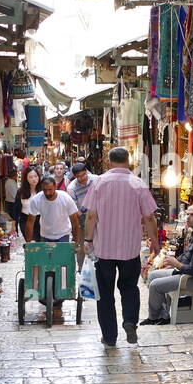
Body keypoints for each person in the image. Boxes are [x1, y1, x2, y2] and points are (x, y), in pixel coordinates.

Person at [83, 146, 158, 348]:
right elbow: (149, 217)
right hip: (130, 250)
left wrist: (88, 240)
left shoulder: (98, 183)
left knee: (105, 294)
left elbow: (91, 216)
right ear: (128, 161)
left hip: (103, 250)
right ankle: (130, 321)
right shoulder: (138, 184)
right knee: (129, 288)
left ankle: (109, 337)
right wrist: (155, 243)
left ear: (109, 162)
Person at [142, 202, 193, 324]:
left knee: (155, 286)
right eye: (187, 214)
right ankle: (163, 315)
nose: (188, 217)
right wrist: (174, 261)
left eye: (192, 215)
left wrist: (176, 264)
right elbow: (188, 255)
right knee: (152, 275)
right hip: (186, 273)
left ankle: (154, 318)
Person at [25, 174, 80, 320]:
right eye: (45, 190)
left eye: (50, 189)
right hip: (45, 235)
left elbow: (75, 221)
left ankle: (60, 297)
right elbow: (30, 222)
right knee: (44, 266)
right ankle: (43, 294)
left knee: (62, 266)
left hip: (63, 235)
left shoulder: (65, 198)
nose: (48, 193)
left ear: (55, 187)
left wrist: (76, 240)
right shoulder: (37, 199)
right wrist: (28, 241)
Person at [17, 166, 42, 242]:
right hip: (26, 220)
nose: (34, 179)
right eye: (31, 177)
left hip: (41, 221)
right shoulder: (21, 192)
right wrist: (13, 226)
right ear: (26, 179)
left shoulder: (43, 191)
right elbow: (17, 209)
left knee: (41, 245)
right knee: (32, 243)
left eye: (35, 176)